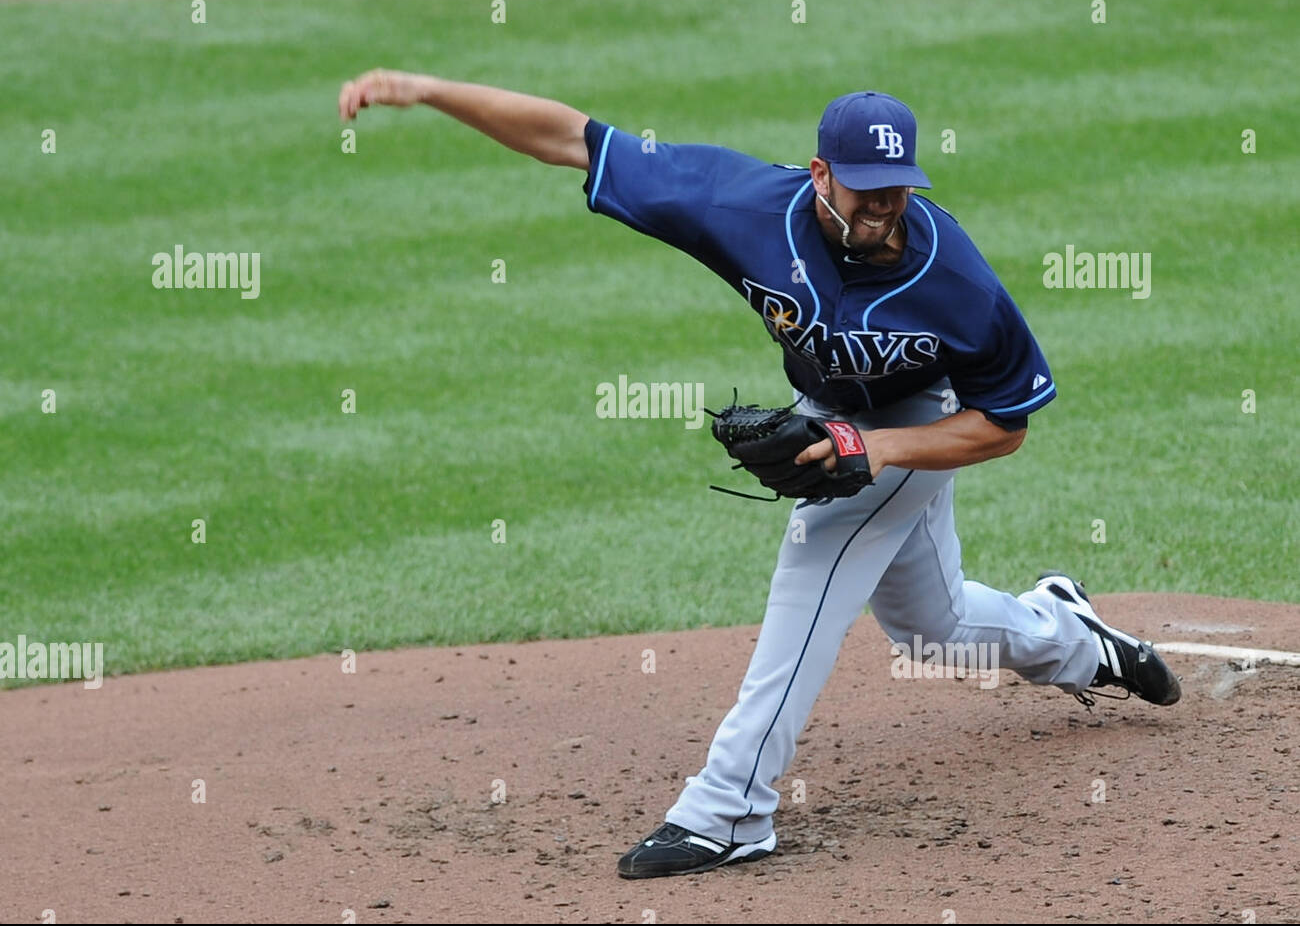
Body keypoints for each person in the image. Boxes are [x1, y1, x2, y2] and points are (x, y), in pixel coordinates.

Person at [338, 70, 1182, 881]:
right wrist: (425, 91)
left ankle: (730, 809)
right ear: (820, 175)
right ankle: (1068, 632)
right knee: (934, 622)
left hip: (922, 417)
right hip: (831, 413)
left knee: (817, 554)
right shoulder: (738, 205)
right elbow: (572, 139)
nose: (883, 208)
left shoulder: (956, 280)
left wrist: (879, 448)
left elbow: (1005, 424)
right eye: (864, 190)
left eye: (897, 189)